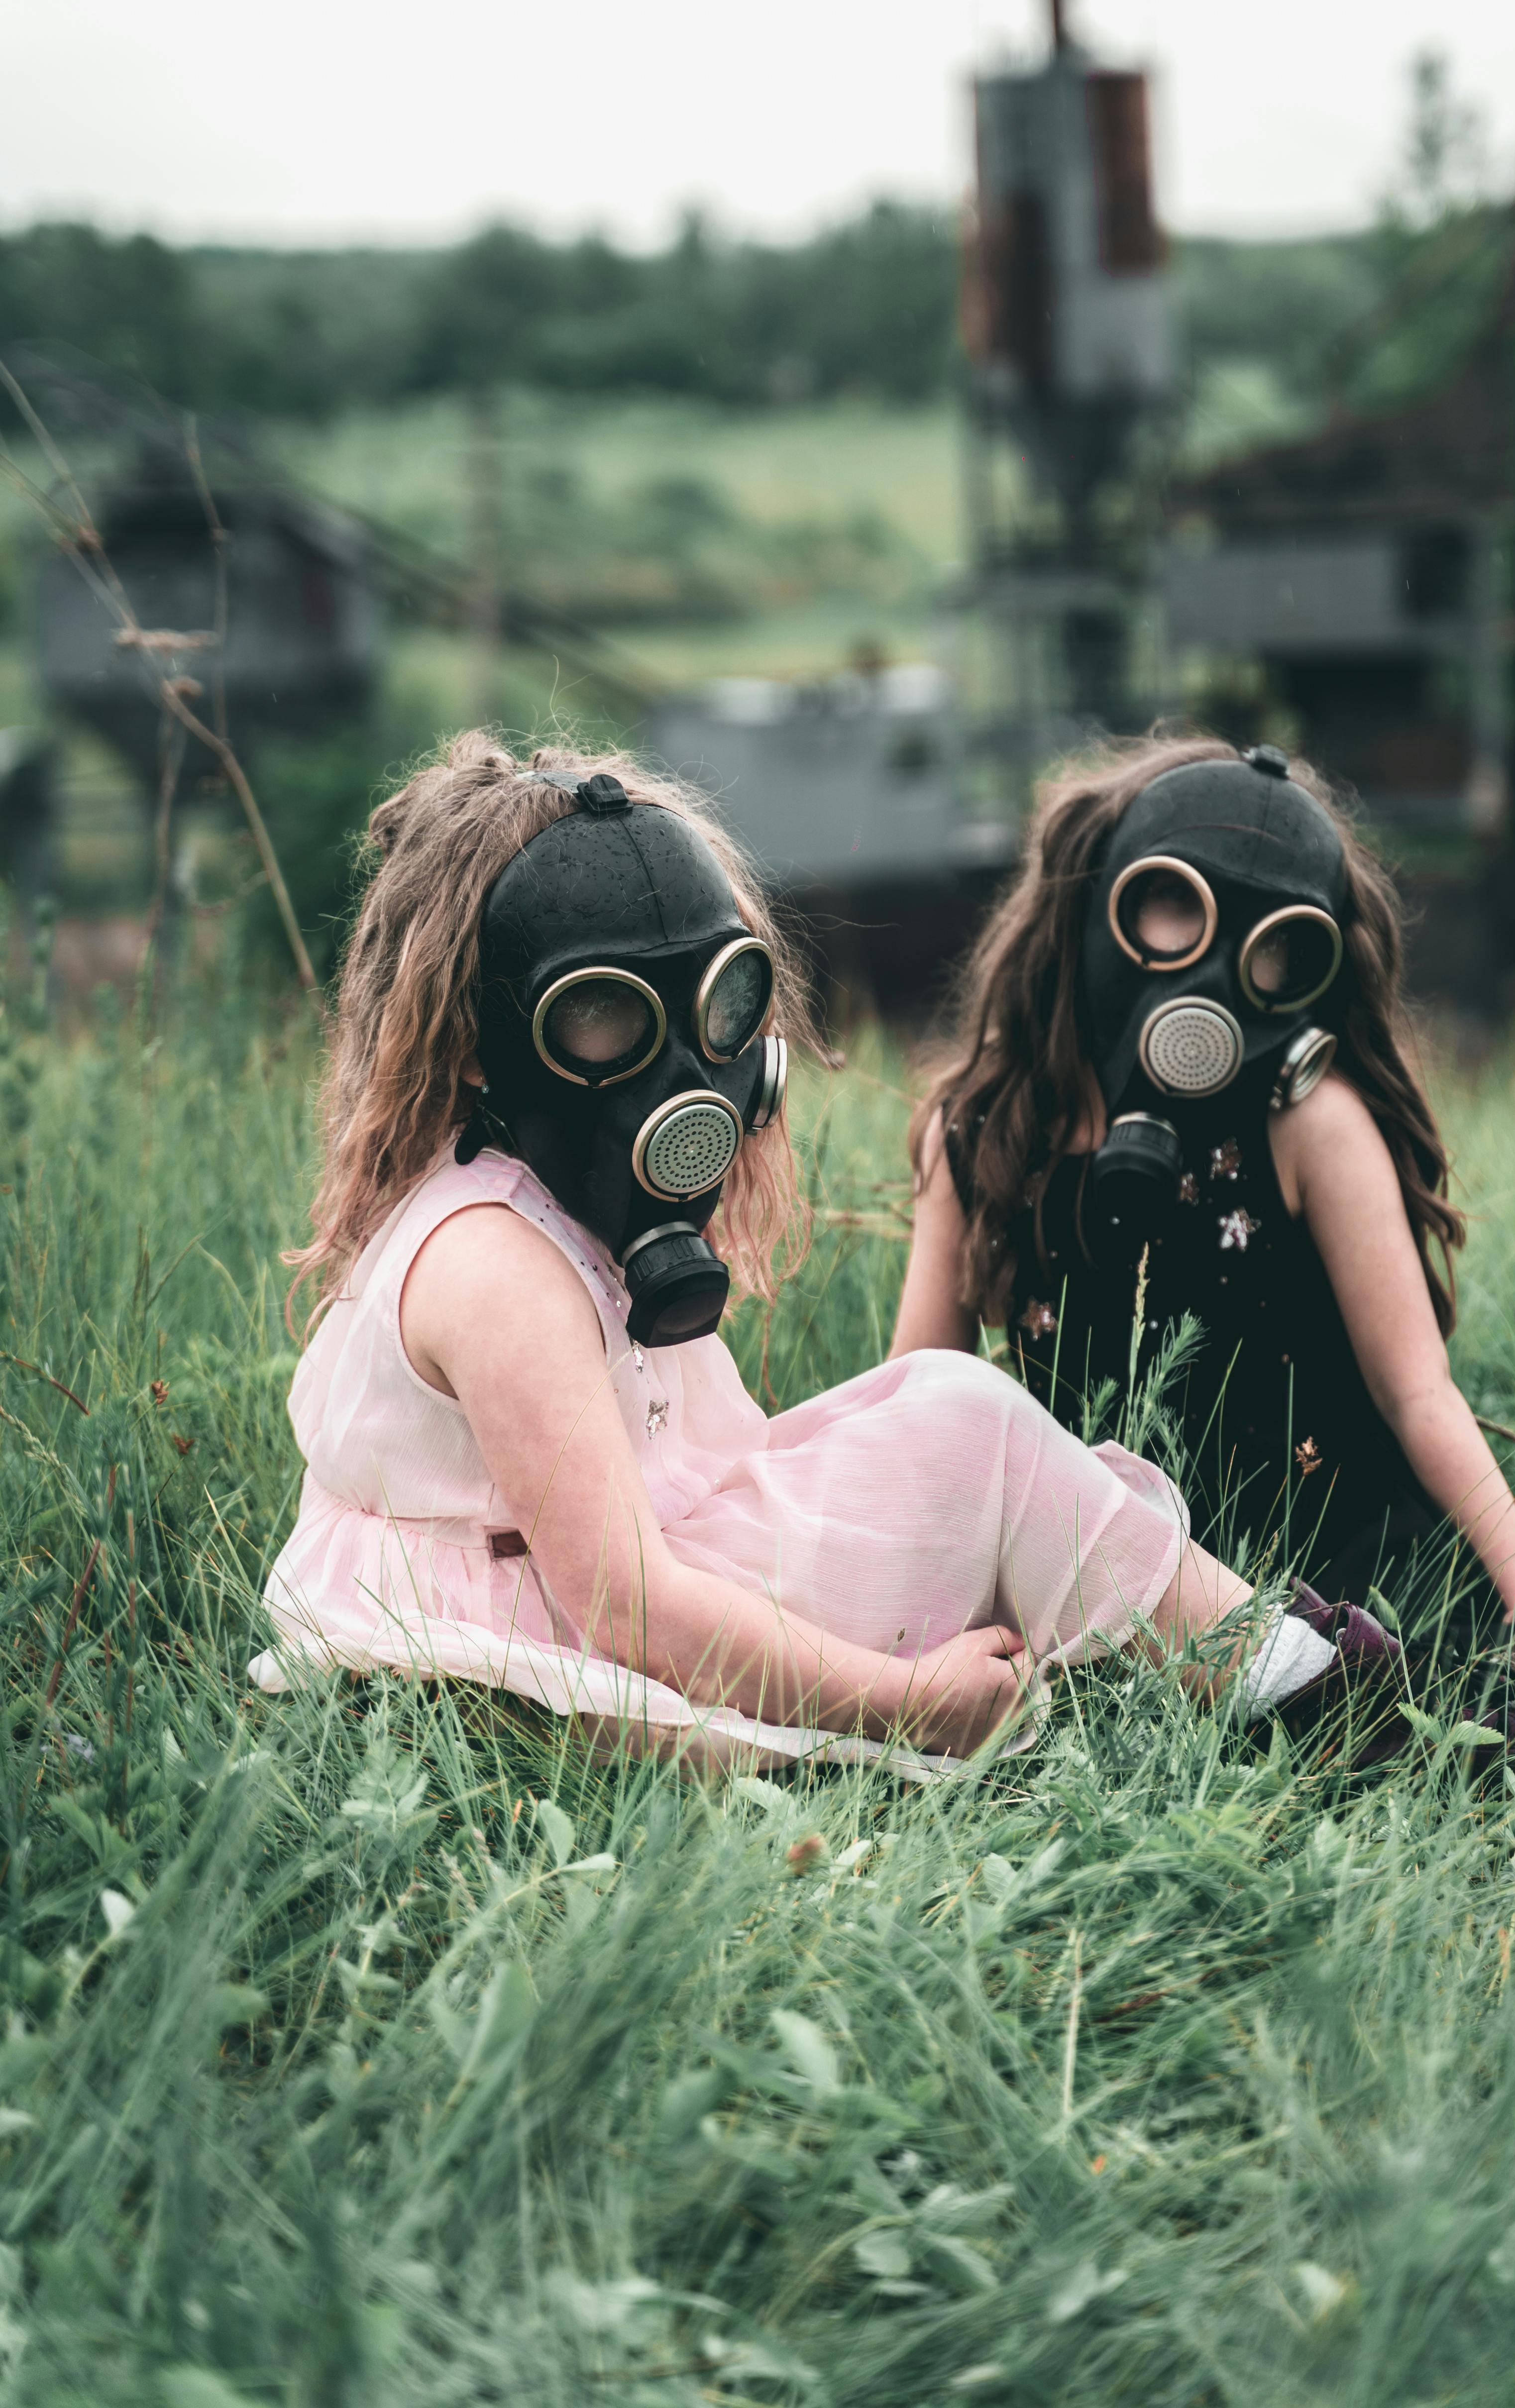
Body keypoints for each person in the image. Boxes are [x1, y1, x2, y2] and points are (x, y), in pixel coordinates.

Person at [250, 734, 1401, 1774]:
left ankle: (1262, 1651)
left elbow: (710, 1475)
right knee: (964, 1419)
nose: (692, 1085)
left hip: (581, 1589)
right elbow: (627, 1605)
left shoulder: (546, 1216)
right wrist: (903, 1700)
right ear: (474, 1047)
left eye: (718, 1011)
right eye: (602, 1021)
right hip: (525, 1642)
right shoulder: (495, 1267)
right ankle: (1295, 1686)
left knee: (946, 1415)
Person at [892, 736, 1515, 1669]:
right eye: (1172, 903)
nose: (1207, 972)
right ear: (1091, 903)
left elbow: (1415, 1391)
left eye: (1275, 945)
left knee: (1463, 1693)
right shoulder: (978, 1134)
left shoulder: (1307, 1127)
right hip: (1117, 1595)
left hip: (1347, 1573)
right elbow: (924, 1410)